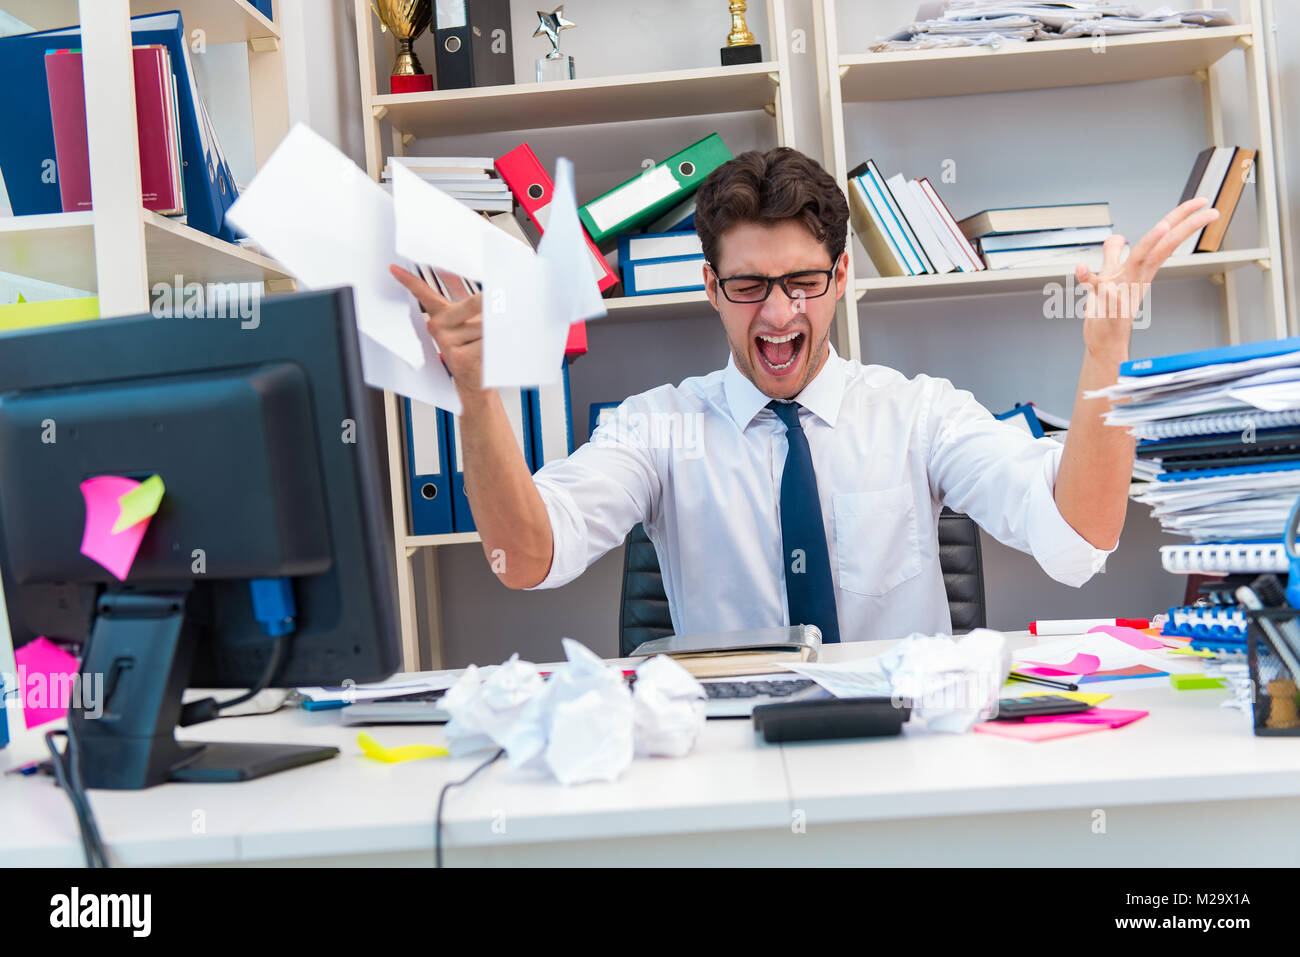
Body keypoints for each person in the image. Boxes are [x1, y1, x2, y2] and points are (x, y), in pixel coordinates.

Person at [390, 147, 1218, 643]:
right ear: (709, 286)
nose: (781, 313)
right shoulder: (657, 428)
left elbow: (1078, 538)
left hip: (907, 765)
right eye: (750, 285)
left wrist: (1109, 349)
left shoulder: (917, 412)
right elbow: (525, 557)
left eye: (803, 282)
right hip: (733, 769)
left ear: (842, 277)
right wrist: (478, 397)